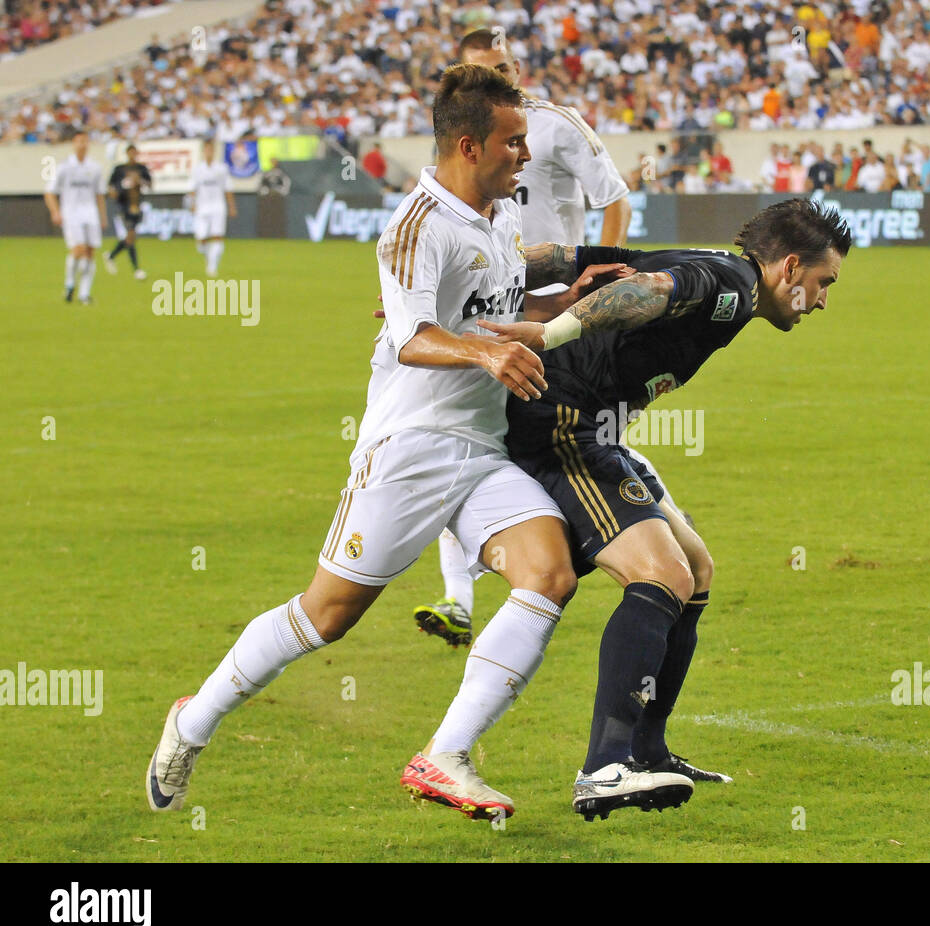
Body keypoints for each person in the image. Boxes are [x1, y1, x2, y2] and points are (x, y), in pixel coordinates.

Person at [145, 65, 653, 823]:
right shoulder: (416, 226)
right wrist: (484, 354)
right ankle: (192, 720)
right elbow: (411, 335)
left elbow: (514, 279)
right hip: (410, 446)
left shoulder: (496, 213)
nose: (527, 154)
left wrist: (576, 280)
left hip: (482, 451)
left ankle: (444, 755)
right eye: (515, 143)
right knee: (326, 615)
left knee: (548, 574)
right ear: (471, 145)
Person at [478, 199, 851, 819]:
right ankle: (604, 767)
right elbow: (649, 290)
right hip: (563, 424)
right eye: (823, 282)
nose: (822, 299)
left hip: (593, 427)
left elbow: (572, 258)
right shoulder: (729, 284)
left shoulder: (714, 265)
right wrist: (547, 332)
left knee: (696, 570)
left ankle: (648, 750)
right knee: (663, 574)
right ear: (790, 267)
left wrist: (470, 283)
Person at [416, 28, 636, 647]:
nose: (500, 79)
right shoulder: (457, 143)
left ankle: (629, 519)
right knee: (467, 434)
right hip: (489, 311)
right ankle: (462, 596)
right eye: (484, 71)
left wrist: (601, 276)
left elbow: (613, 196)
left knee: (574, 432)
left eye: (505, 68)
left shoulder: (557, 126)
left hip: (551, 308)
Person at [44, 130, 107, 304]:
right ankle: (70, 284)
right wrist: (55, 211)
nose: (82, 145)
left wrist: (103, 216)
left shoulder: (94, 167)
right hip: (71, 213)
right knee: (78, 250)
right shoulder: (64, 166)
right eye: (79, 141)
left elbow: (99, 194)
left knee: (90, 252)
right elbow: (49, 192)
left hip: (90, 213)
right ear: (73, 143)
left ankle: (84, 294)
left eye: (85, 141)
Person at [104, 143, 152, 280]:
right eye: (130, 152)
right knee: (131, 235)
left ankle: (111, 255)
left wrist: (140, 182)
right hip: (123, 205)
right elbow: (111, 186)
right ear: (127, 153)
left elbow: (150, 184)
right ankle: (136, 269)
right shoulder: (119, 169)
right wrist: (117, 190)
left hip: (136, 205)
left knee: (130, 236)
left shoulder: (142, 169)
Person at [190, 140, 236, 277]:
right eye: (207, 149)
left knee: (217, 237)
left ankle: (212, 267)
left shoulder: (221, 169)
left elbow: (228, 188)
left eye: (211, 149)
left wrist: (232, 206)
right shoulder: (197, 169)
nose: (209, 152)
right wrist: (192, 203)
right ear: (203, 151)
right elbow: (192, 189)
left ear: (214, 151)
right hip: (202, 207)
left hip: (218, 207)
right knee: (201, 239)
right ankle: (209, 256)